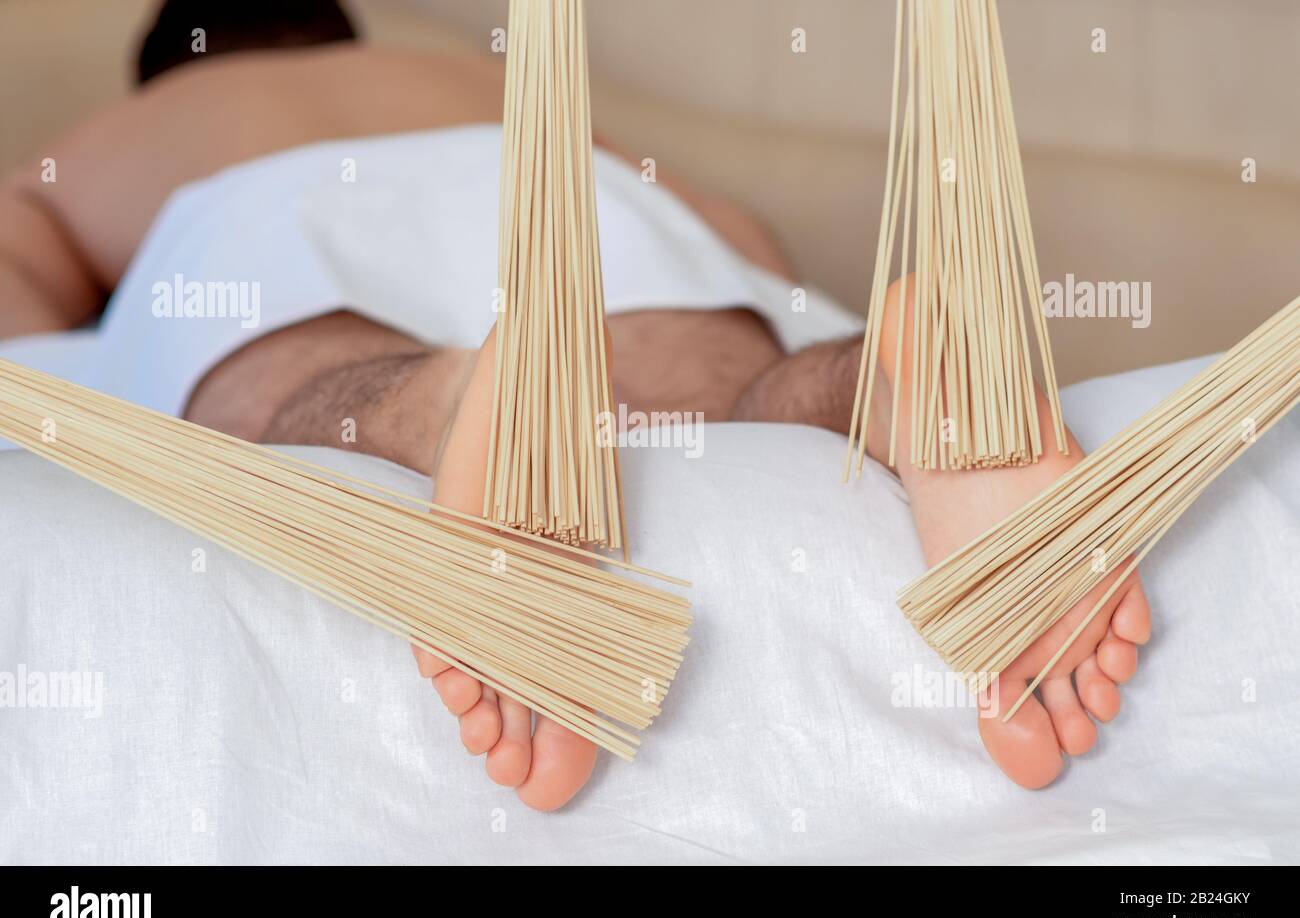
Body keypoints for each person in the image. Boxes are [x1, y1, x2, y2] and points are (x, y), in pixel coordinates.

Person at [0, 9, 1149, 811]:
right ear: (338, 32)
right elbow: (728, 231)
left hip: (268, 213)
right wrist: (777, 318)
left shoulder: (145, 127)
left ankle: (434, 399)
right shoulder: (476, 85)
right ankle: (878, 385)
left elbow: (18, 280)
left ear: (165, 63)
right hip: (559, 192)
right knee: (723, 387)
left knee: (304, 381)